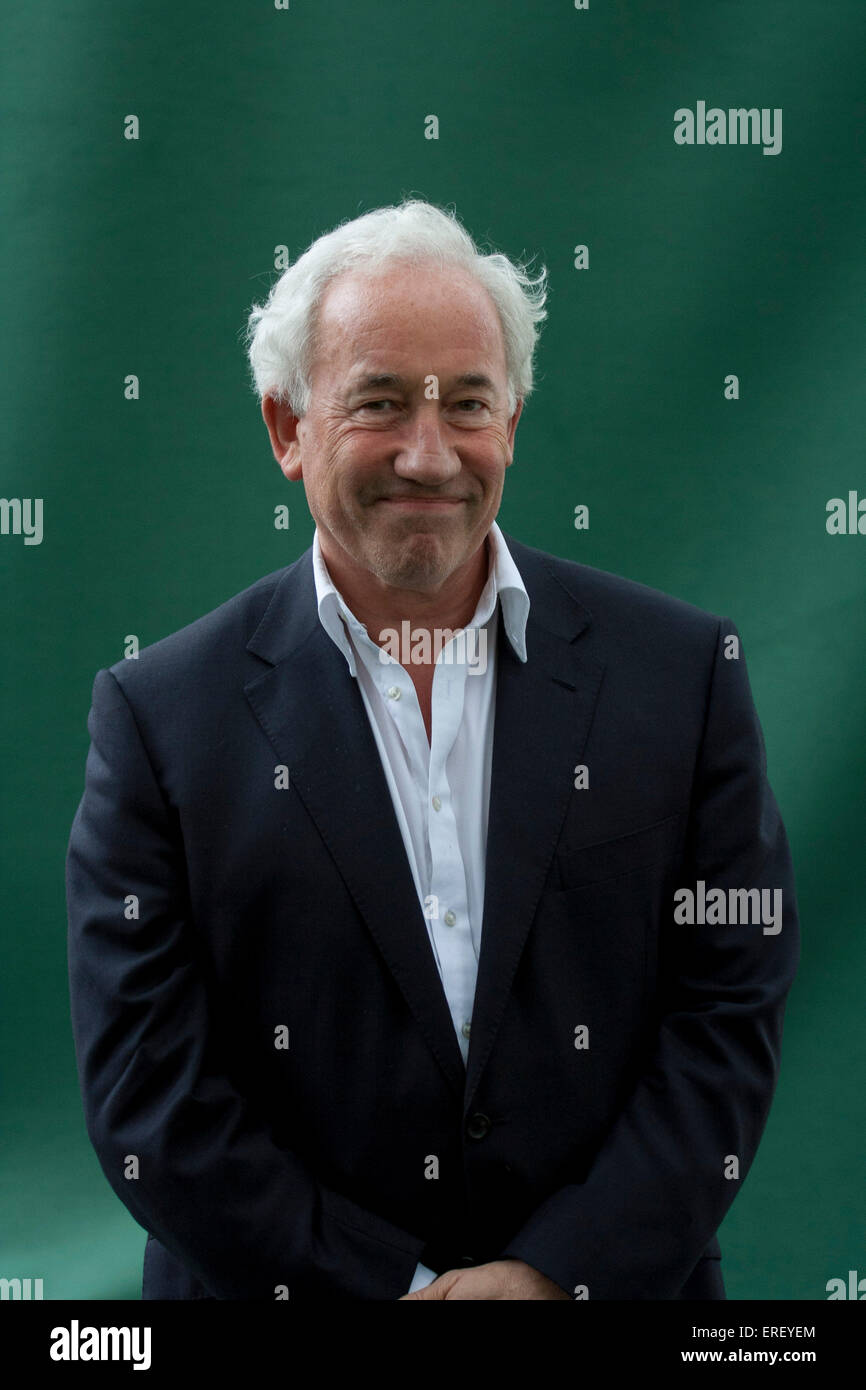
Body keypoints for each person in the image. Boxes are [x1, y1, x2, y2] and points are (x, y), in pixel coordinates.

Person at [66, 199, 800, 1300]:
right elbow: (147, 1096)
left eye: (468, 403)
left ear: (511, 419)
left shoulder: (681, 677)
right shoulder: (158, 720)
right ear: (285, 428)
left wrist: (556, 1276)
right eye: (377, 403)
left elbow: (725, 1017)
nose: (429, 453)